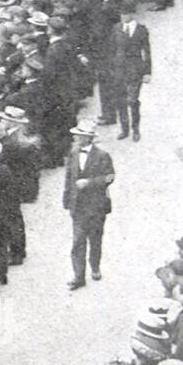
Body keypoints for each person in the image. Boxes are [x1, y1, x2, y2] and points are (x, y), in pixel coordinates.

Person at [62, 120, 114, 289]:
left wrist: (89, 182)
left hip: (96, 206)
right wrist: (66, 199)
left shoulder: (102, 155)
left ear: (87, 138)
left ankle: (95, 266)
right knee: (78, 242)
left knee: (95, 239)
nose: (75, 137)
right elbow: (69, 177)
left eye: (79, 135)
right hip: (77, 206)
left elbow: (109, 177)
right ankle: (78, 277)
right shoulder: (74, 153)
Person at [107, 0, 152, 141]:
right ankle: (124, 129)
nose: (123, 17)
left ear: (132, 14)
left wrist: (147, 72)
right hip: (118, 70)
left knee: (133, 101)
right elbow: (111, 50)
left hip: (135, 70)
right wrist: (110, 68)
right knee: (120, 100)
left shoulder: (141, 30)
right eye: (121, 14)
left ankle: (135, 129)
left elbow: (147, 51)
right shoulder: (116, 28)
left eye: (125, 14)